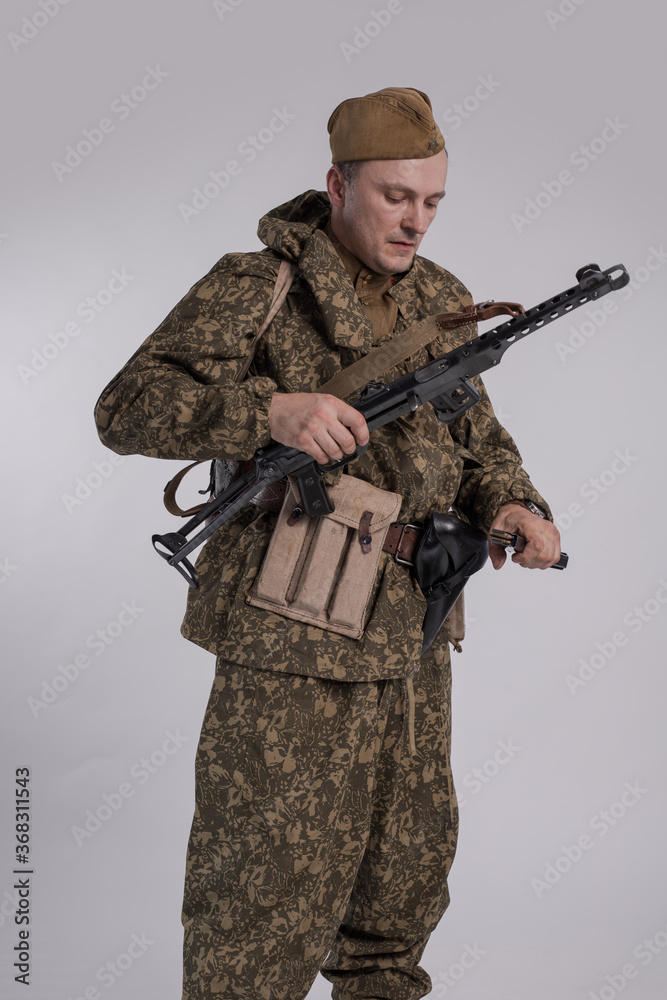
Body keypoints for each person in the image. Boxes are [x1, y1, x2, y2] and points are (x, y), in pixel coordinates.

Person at [94, 87, 560, 1000]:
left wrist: (513, 503)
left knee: (402, 881)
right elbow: (126, 409)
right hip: (292, 626)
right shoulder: (256, 285)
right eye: (395, 196)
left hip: (415, 621)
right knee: (260, 900)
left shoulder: (440, 297)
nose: (415, 221)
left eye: (432, 201)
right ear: (337, 185)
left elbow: (476, 440)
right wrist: (268, 410)